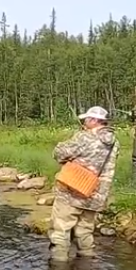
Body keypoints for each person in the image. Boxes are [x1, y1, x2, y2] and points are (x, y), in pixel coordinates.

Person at [49, 106, 119, 261]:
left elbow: (59, 153)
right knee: (85, 231)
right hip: (96, 193)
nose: (84, 121)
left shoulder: (84, 137)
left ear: (94, 120)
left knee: (61, 230)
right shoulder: (114, 142)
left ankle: (58, 269)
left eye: (86, 119)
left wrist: (63, 144)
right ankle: (87, 269)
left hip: (73, 190)